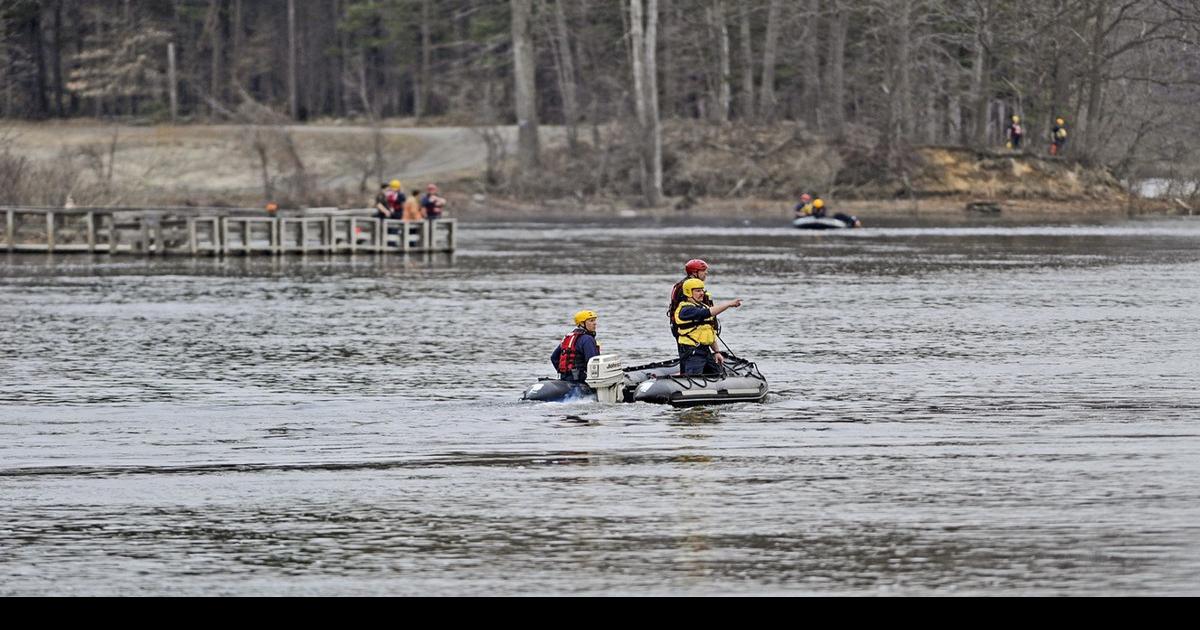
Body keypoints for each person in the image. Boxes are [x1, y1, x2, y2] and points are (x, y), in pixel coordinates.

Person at [673, 278, 742, 376]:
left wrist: (717, 352)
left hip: (705, 351)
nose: (702, 293)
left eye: (702, 290)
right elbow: (707, 312)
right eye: (697, 291)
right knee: (693, 378)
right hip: (692, 352)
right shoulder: (685, 310)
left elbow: (708, 333)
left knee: (719, 374)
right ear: (688, 292)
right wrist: (728, 304)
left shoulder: (703, 306)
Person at [550, 310, 601, 382]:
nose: (595, 323)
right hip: (580, 380)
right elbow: (592, 361)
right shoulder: (587, 339)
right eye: (591, 321)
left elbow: (554, 357)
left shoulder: (568, 337)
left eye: (595, 321)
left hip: (565, 379)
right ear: (582, 324)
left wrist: (563, 372)